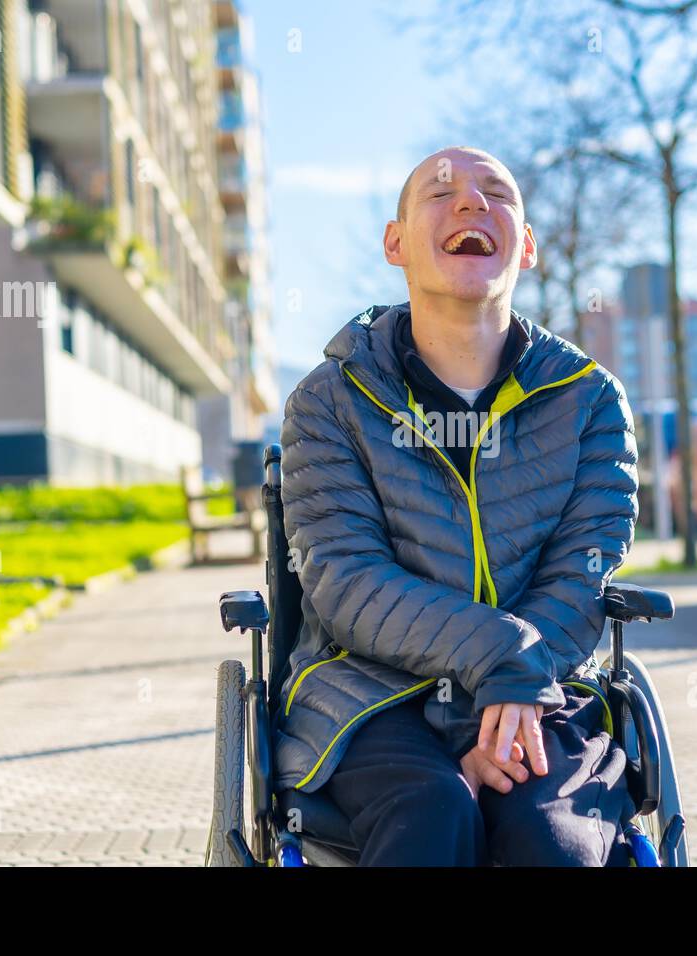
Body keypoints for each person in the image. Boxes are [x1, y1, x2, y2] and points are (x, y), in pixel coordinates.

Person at [274, 146, 639, 865]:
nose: (472, 203)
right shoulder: (330, 400)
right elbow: (346, 582)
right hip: (368, 697)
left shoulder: (591, 399)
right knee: (431, 815)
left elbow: (583, 573)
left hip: (546, 690)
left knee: (554, 842)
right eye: (441, 194)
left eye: (496, 193)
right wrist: (503, 655)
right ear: (395, 243)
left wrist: (517, 688)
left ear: (525, 245)